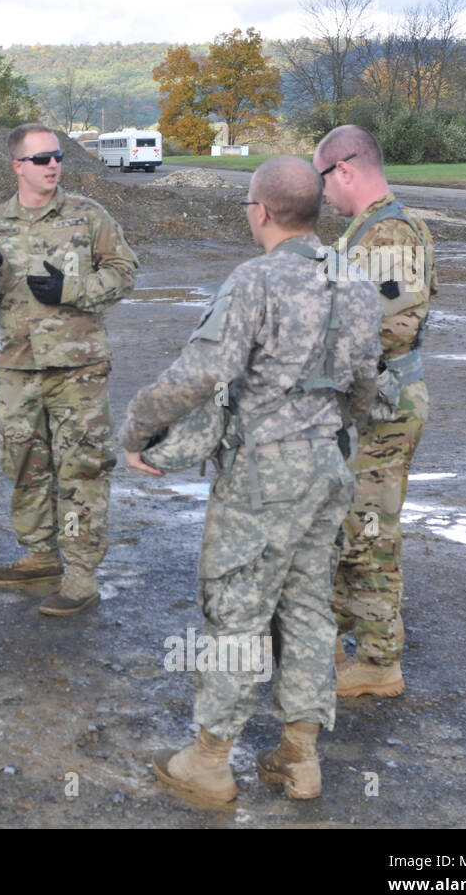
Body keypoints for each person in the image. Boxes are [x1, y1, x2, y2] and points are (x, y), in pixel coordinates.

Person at [122, 156, 381, 803]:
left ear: (260, 211)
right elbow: (372, 388)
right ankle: (299, 756)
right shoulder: (354, 281)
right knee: (308, 606)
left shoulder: (254, 282)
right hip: (328, 469)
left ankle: (210, 758)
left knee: (237, 609)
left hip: (265, 476)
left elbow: (198, 375)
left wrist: (135, 428)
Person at [0, 123, 138, 616]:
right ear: (17, 166)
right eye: (40, 159)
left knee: (81, 469)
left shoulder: (88, 216)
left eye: (56, 157)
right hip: (18, 368)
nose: (53, 165)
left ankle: (79, 575)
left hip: (78, 369)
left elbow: (123, 271)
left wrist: (72, 290)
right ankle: (40, 554)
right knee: (25, 464)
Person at [313, 125, 437, 698]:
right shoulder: (367, 231)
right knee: (350, 522)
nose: (322, 195)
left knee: (370, 530)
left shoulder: (387, 234)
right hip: (367, 405)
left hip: (381, 408)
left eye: (323, 180)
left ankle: (381, 662)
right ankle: (343, 632)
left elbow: (392, 327)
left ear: (344, 169)